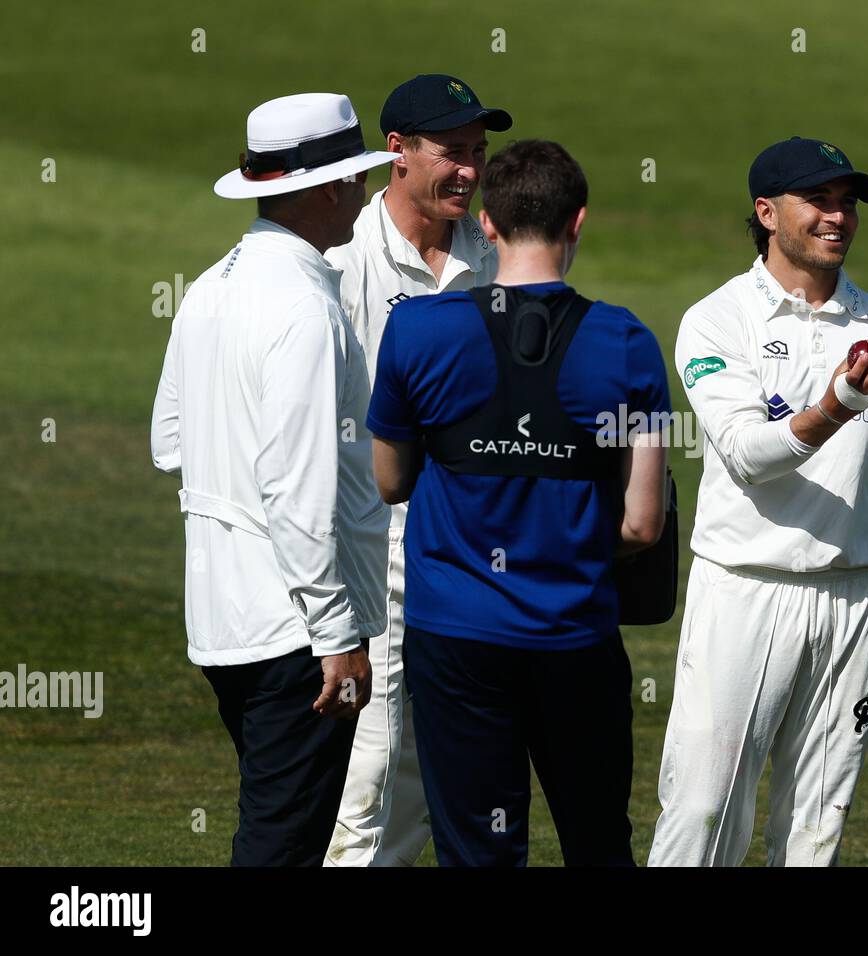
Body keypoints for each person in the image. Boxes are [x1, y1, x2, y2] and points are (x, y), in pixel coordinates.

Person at [365, 139, 670, 866]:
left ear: (490, 226)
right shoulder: (628, 343)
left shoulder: (416, 329)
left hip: (455, 639)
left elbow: (388, 482)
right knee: (598, 844)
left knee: (479, 853)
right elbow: (641, 522)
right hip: (575, 639)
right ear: (580, 222)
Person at [647, 137, 868, 867]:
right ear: (767, 212)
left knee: (815, 828)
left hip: (851, 601)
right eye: (820, 200)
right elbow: (747, 453)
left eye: (848, 202)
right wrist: (836, 404)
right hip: (743, 589)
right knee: (705, 811)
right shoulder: (717, 321)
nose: (838, 217)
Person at [149, 93, 397, 865]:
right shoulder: (303, 306)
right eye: (357, 177)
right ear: (325, 189)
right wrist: (335, 635)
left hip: (224, 620)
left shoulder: (211, 288)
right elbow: (297, 487)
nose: (364, 191)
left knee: (272, 822)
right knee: (283, 844)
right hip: (298, 632)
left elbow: (170, 441)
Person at [324, 74, 512, 867]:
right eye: (451, 152)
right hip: (370, 541)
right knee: (370, 755)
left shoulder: (494, 254)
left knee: (440, 760)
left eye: (478, 152)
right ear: (395, 153)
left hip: (471, 541)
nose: (469, 169)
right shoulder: (339, 262)